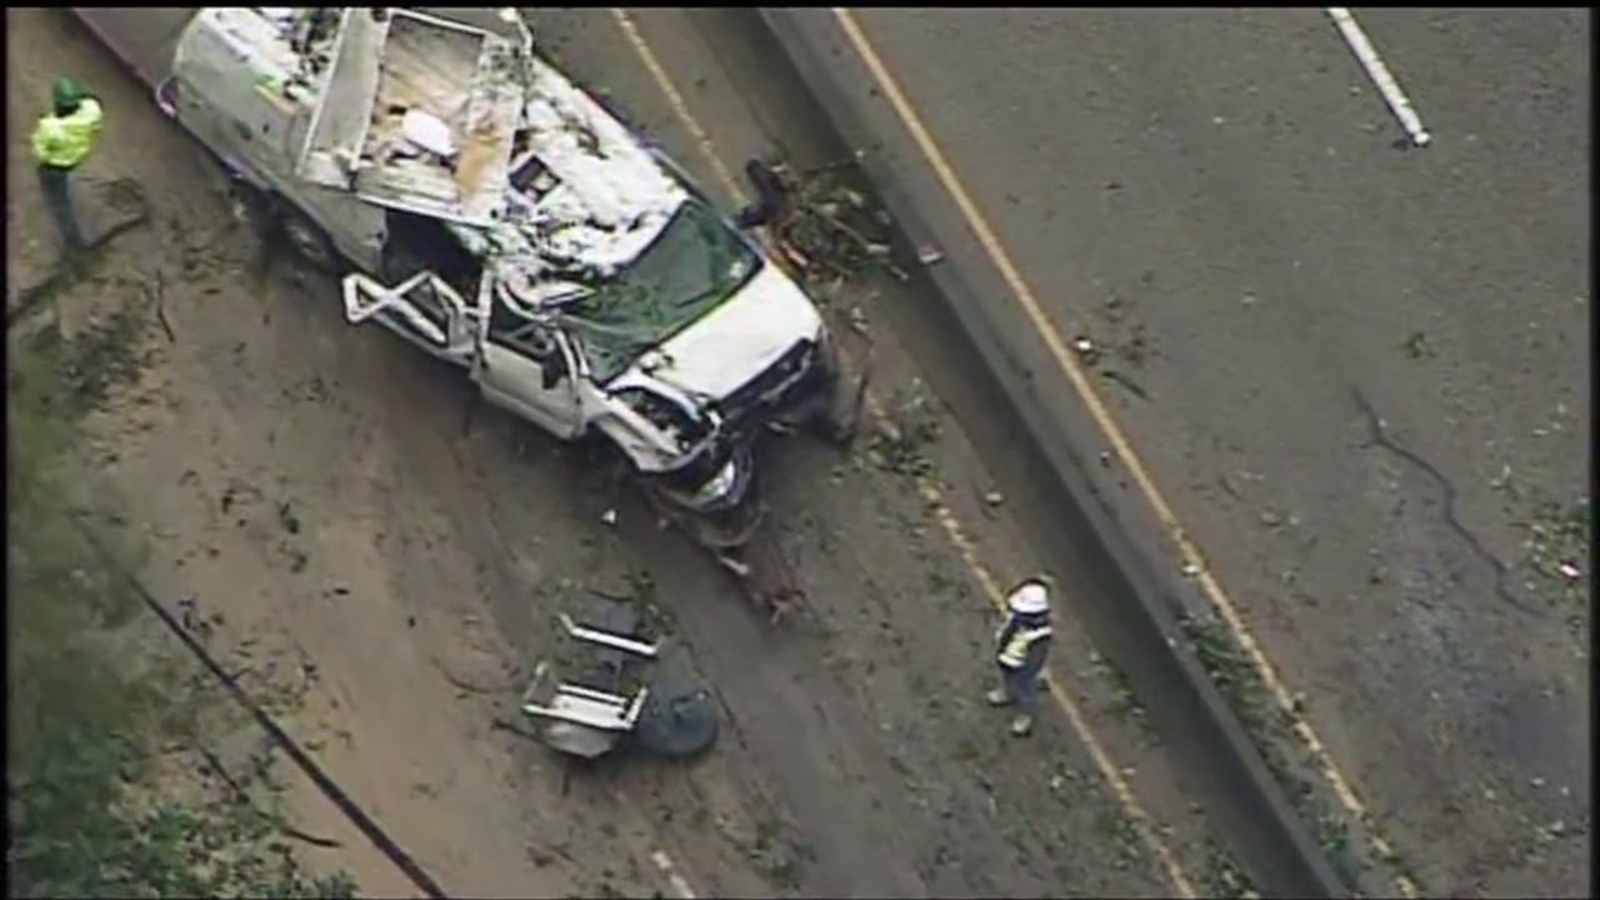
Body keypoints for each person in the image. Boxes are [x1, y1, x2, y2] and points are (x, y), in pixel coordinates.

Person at [32, 77, 105, 254]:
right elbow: (96, 126)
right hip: (75, 158)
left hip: (54, 166)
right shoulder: (92, 110)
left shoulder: (50, 127)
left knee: (59, 204)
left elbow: (40, 153)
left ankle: (75, 243)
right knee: (65, 186)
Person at [986, 577, 1055, 736]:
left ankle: (1025, 716)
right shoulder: (1017, 619)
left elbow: (1035, 660)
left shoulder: (1040, 635)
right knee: (1007, 677)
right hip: (1007, 656)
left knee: (1025, 691)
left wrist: (1026, 673)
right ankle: (1008, 692)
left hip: (1022, 667)